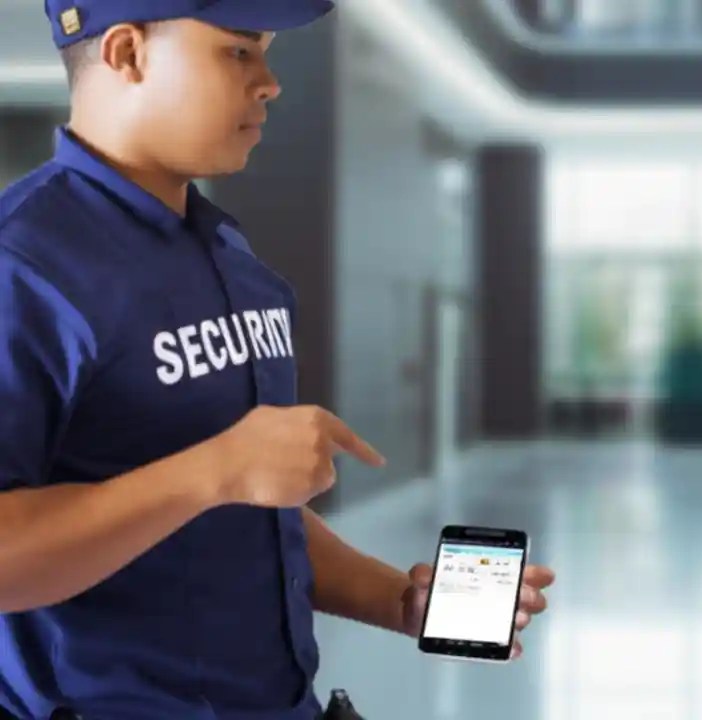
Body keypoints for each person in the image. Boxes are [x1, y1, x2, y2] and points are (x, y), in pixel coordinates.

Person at [0, 1, 555, 717]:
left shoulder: (233, 261)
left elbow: (250, 514)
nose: (270, 82)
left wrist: (399, 600)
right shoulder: (24, 267)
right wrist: (214, 470)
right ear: (127, 53)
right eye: (238, 51)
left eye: (266, 52)